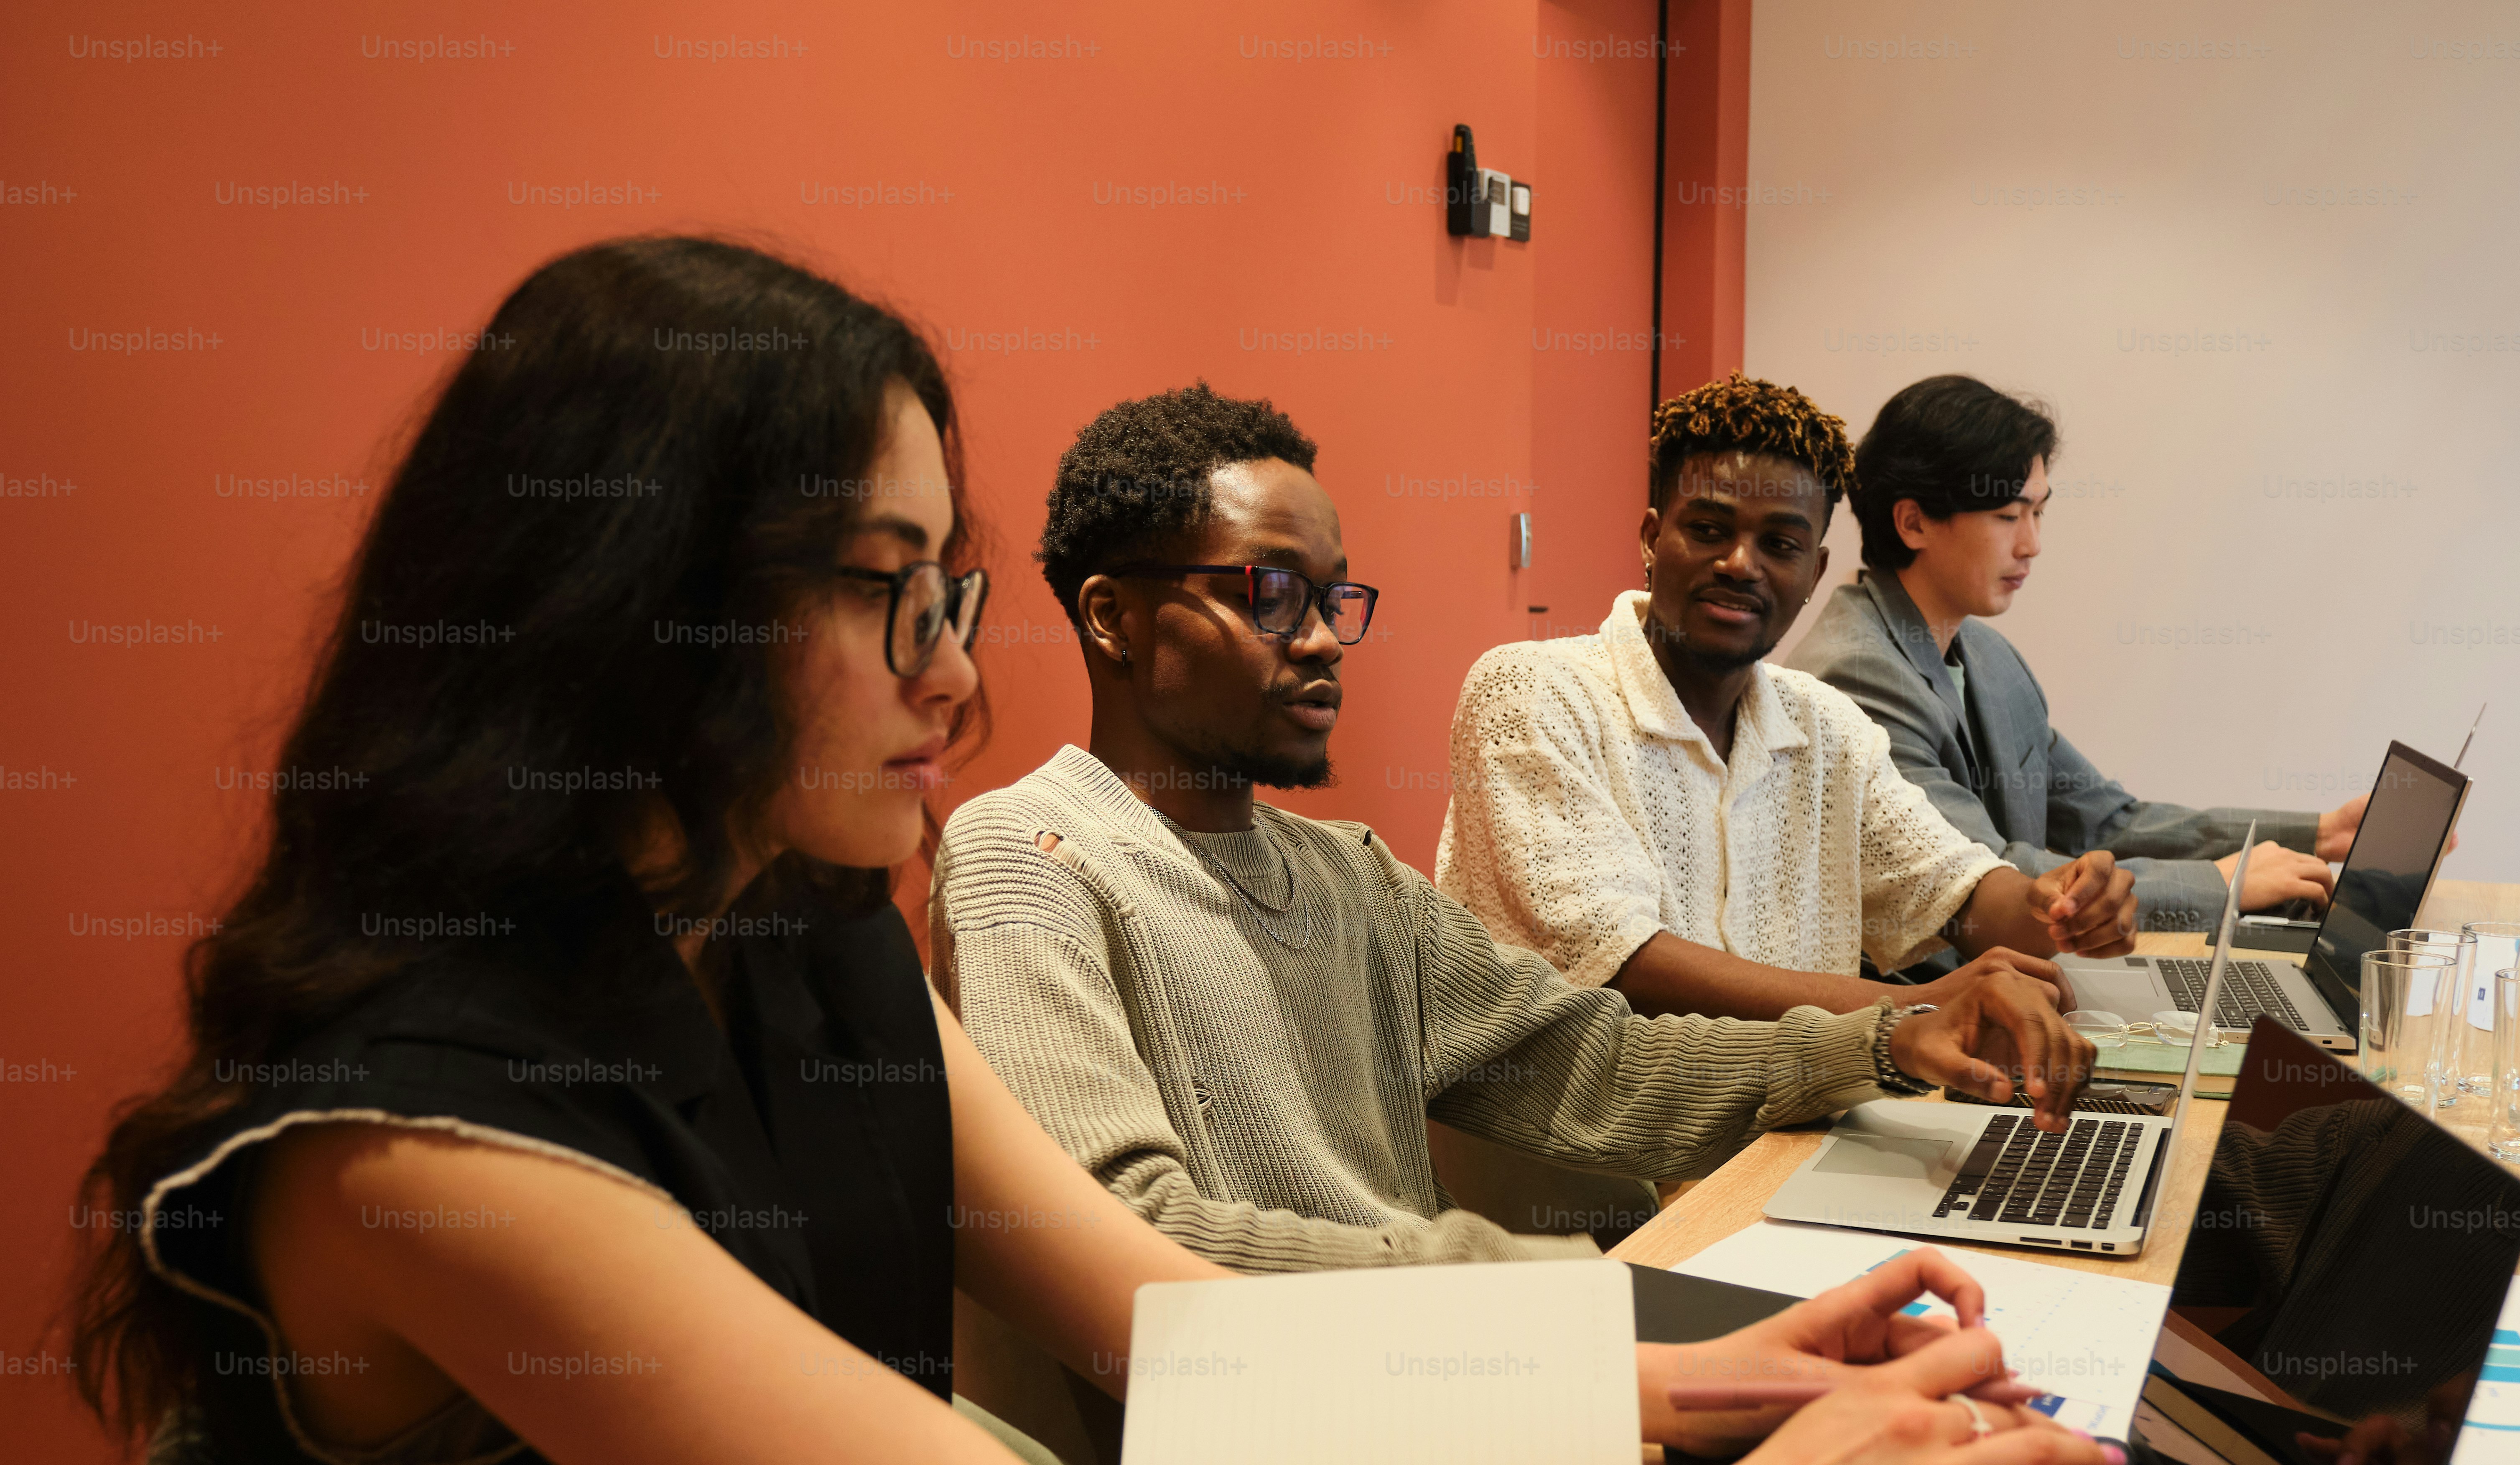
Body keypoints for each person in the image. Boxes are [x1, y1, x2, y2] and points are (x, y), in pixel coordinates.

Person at [62, 242, 2133, 1465]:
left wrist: (1693, 1377)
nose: (957, 676)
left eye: (949, 595)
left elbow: (1170, 1309)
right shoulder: (418, 1144)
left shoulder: (803, 936)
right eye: (894, 597)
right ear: (637, 609)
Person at [930, 384, 2103, 1285]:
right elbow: (1136, 1240)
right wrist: (1564, 1288)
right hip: (1253, 1458)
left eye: (1334, 598)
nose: (1327, 640)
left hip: (1454, 1368)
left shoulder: (1351, 880)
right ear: (1111, 618)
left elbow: (1605, 1065)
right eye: (1269, 594)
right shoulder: (1030, 858)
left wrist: (1888, 1042)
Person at [1438, 374, 2139, 1037]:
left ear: (1814, 573)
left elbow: (1953, 895)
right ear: (1652, 539)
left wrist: (2060, 907)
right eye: (1709, 530)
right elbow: (1620, 965)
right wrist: (1913, 1010)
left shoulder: (1827, 727)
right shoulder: (1532, 691)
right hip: (1599, 1153)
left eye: (1780, 544)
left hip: (1784, 1126)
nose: (1742, 564)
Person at [1784, 375, 2367, 939]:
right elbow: (1987, 877)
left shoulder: (1985, 653)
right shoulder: (1855, 677)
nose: (2032, 544)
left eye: (2039, 512)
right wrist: (2219, 887)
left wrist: (2319, 834)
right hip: (1918, 1007)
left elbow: (2108, 821)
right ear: (1913, 523)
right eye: (2009, 516)